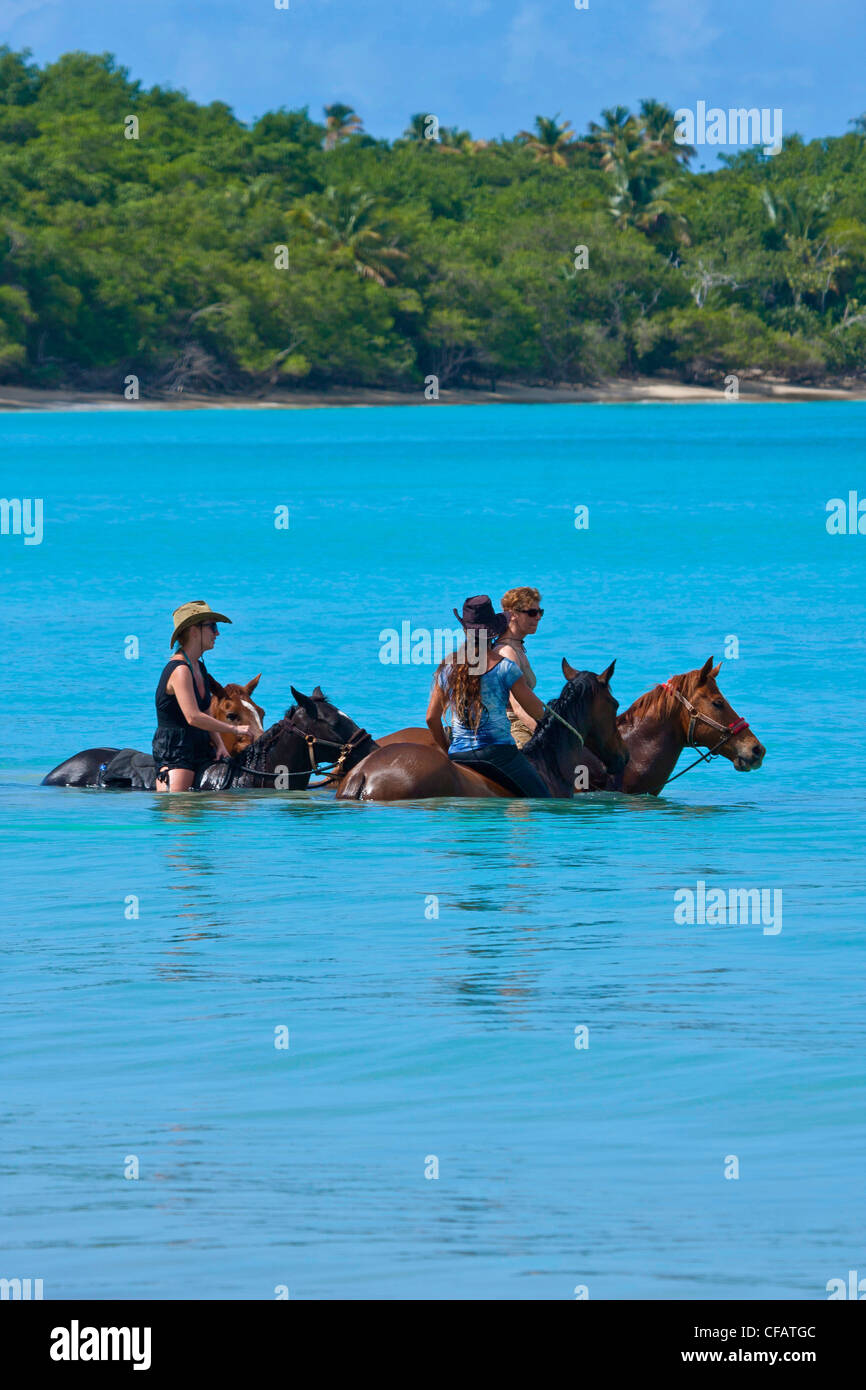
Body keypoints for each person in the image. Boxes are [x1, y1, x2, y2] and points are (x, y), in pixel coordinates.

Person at [425, 594, 551, 797]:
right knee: (543, 798)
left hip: (459, 753)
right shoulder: (505, 668)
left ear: (466, 630)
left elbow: (431, 718)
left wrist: (448, 749)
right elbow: (536, 710)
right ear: (493, 630)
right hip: (499, 754)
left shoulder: (448, 668)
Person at [153, 600, 256, 791]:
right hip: (177, 751)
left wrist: (219, 745)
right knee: (180, 808)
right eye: (212, 627)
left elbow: (207, 713)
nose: (217, 633)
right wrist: (234, 730)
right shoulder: (180, 670)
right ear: (194, 631)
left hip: (201, 747)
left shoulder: (199, 666)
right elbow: (193, 717)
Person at [494, 585, 544, 749]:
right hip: (514, 727)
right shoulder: (507, 652)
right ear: (513, 614)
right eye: (532, 613)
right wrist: (545, 734)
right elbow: (517, 707)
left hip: (523, 721)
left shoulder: (518, 647)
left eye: (540, 612)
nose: (538, 617)